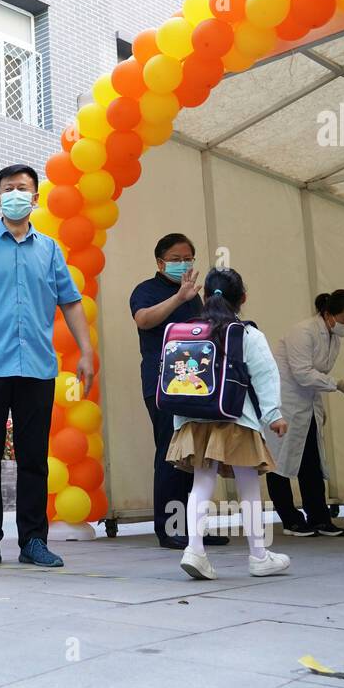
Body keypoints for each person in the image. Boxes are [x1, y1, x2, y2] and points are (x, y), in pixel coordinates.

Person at [0, 164, 94, 569]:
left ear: (35, 198)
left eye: (23, 189)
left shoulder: (49, 249)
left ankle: (33, 540)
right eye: (8, 188)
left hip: (37, 367)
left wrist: (85, 351)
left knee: (34, 457)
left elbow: (71, 302)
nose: (15, 194)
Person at [166, 268, 291, 580]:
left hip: (195, 419)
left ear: (205, 296)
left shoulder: (186, 331)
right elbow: (265, 375)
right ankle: (259, 556)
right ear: (243, 298)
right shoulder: (247, 334)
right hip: (236, 418)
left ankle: (194, 549)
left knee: (201, 484)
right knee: (248, 487)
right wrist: (273, 415)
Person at [130, 234, 227, 549]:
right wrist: (179, 298)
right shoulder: (146, 290)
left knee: (194, 455)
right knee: (170, 455)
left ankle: (193, 526)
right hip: (162, 385)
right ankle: (169, 527)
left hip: (195, 385)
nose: (183, 263)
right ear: (160, 262)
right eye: (175, 258)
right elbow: (144, 320)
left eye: (189, 257)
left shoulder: (195, 297)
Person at [263, 290, 344, 538]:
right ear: (329, 314)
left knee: (310, 463)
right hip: (284, 404)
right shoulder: (304, 331)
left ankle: (320, 518)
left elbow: (315, 377)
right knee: (280, 464)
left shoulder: (334, 339)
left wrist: (319, 408)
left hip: (307, 406)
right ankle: (290, 520)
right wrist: (339, 384)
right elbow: (302, 373)